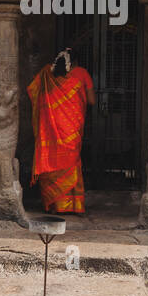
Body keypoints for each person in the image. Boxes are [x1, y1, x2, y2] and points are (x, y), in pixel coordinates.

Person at [27, 47, 95, 214]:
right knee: (71, 163)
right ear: (76, 62)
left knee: (53, 160)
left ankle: (54, 205)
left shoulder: (46, 75)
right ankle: (73, 206)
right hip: (72, 130)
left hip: (50, 128)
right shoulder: (82, 74)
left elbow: (33, 91)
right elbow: (92, 100)